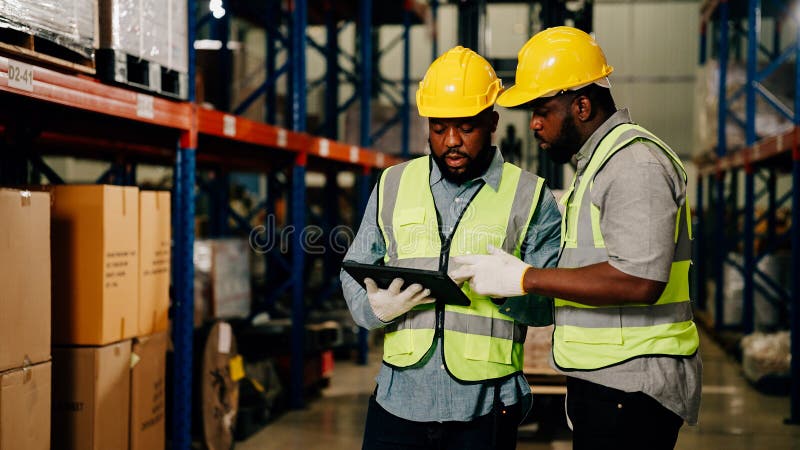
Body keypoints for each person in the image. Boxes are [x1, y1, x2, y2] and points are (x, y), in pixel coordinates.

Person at [450, 27, 702, 450]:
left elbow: (640, 280)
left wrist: (525, 278)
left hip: (633, 387)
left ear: (581, 105)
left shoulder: (632, 164)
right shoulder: (598, 166)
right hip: (611, 382)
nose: (532, 124)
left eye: (542, 110)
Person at [340, 46, 561, 449]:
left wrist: (510, 288)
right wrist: (372, 309)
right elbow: (353, 265)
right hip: (398, 402)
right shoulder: (393, 183)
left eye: (466, 127)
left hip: (484, 407)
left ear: (492, 122)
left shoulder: (530, 197)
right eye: (440, 128)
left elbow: (547, 307)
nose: (452, 141)